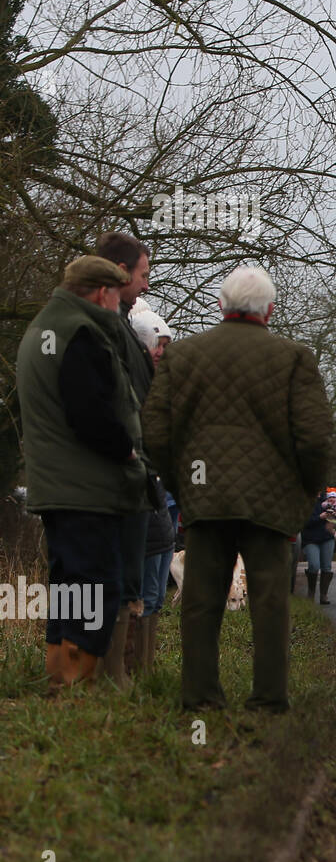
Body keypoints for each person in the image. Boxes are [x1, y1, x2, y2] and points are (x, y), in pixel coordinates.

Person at [143, 264, 332, 713]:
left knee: (201, 600)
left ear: (220, 305)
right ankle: (267, 698)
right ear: (268, 310)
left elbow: (155, 431)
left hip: (203, 498)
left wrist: (182, 486)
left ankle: (201, 698)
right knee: (269, 602)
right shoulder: (294, 358)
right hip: (270, 504)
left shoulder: (183, 355)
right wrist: (303, 495)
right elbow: (315, 439)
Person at [15, 256, 151, 688]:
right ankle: (73, 681)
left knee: (71, 582)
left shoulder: (44, 327)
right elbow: (88, 411)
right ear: (101, 293)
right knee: (94, 583)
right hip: (84, 484)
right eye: (115, 294)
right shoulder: (82, 333)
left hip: (57, 481)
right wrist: (127, 451)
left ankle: (62, 673)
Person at [95, 232, 155, 681]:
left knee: (131, 579)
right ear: (120, 274)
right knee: (114, 579)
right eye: (143, 275)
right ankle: (111, 676)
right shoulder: (107, 331)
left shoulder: (122, 329)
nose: (146, 286)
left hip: (133, 474)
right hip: (119, 477)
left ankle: (125, 673)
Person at [132, 303, 176, 671]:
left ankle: (144, 668)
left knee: (157, 594)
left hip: (160, 500)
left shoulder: (156, 385)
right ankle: (133, 669)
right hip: (143, 500)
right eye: (157, 344)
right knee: (144, 594)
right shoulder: (136, 385)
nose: (161, 352)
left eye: (166, 345)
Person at [302, 488, 336, 603]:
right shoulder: (305, 501)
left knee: (327, 567)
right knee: (314, 565)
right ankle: (311, 593)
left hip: (327, 538)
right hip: (310, 538)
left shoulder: (328, 500)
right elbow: (304, 521)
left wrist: (335, 516)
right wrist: (319, 518)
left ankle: (323, 595)